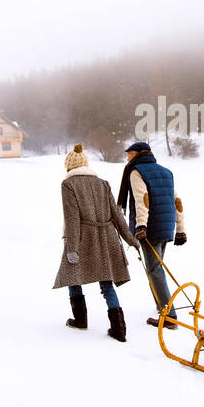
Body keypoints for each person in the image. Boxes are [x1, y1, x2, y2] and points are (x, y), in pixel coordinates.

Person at [52, 144, 139, 342]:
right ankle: (119, 329)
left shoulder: (68, 184)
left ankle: (80, 319)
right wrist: (130, 239)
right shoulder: (102, 183)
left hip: (83, 237)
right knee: (106, 282)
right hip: (107, 237)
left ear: (69, 165)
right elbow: (117, 215)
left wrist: (72, 248)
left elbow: (72, 219)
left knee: (72, 274)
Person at [116, 141, 187, 327]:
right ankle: (161, 305)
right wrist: (180, 230)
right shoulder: (165, 171)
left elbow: (142, 200)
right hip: (166, 226)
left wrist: (141, 226)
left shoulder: (136, 171)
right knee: (155, 267)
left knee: (154, 270)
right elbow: (177, 201)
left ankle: (169, 316)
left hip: (150, 227)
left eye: (129, 153)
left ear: (138, 154)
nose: (127, 157)